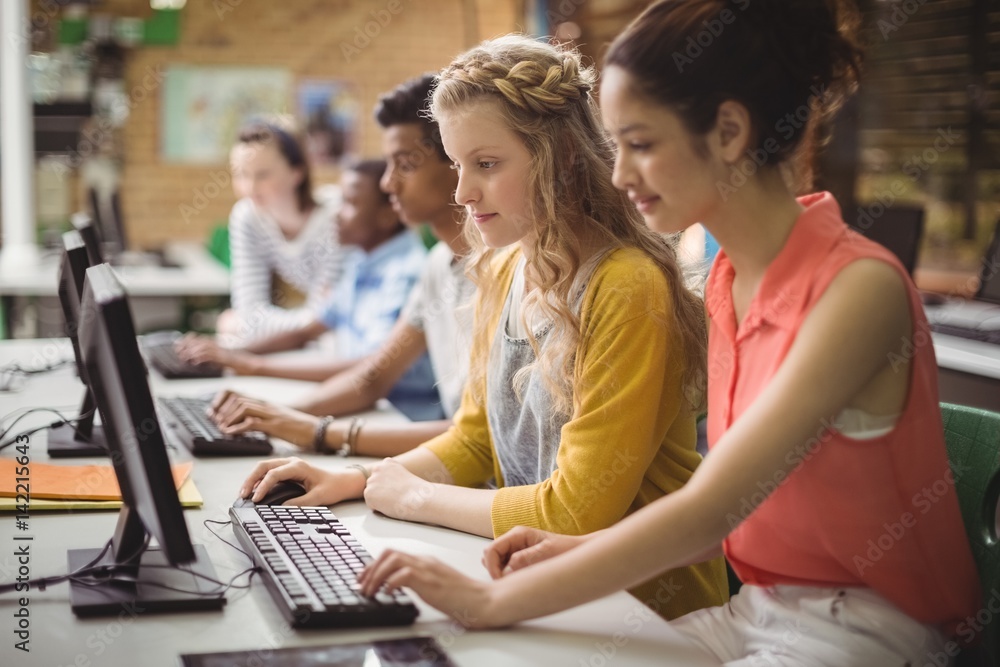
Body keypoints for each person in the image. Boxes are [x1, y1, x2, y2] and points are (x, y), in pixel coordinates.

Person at [355, 3, 983, 665]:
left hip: (866, 630)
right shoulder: (728, 280)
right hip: (755, 611)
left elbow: (712, 508)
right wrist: (574, 549)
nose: (618, 173)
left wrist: (489, 602)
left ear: (730, 132)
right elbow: (742, 501)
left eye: (641, 143)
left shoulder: (859, 289)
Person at [239, 36, 729, 622]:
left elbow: (577, 511)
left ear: (562, 157)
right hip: (542, 586)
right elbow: (475, 441)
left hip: (649, 614)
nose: (462, 192)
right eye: (457, 164)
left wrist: (417, 497)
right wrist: (358, 479)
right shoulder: (505, 265)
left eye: (487, 165)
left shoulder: (626, 285)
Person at [207, 74, 476, 455]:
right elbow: (372, 377)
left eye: (405, 164)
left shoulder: (496, 272)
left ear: (456, 165)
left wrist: (316, 431)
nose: (386, 184)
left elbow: (477, 439)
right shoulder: (437, 265)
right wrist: (277, 416)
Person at [180, 159, 439, 421]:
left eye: (350, 204)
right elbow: (310, 328)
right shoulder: (361, 260)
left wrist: (255, 367)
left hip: (399, 417)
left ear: (387, 215)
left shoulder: (406, 274)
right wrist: (234, 353)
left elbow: (371, 368)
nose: (336, 214)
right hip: (361, 403)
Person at [219, 119, 343, 342]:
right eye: (241, 174)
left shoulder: (337, 217)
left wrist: (245, 324)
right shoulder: (247, 217)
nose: (250, 188)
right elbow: (251, 313)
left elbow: (327, 323)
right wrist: (248, 322)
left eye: (263, 175)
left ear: (297, 173)